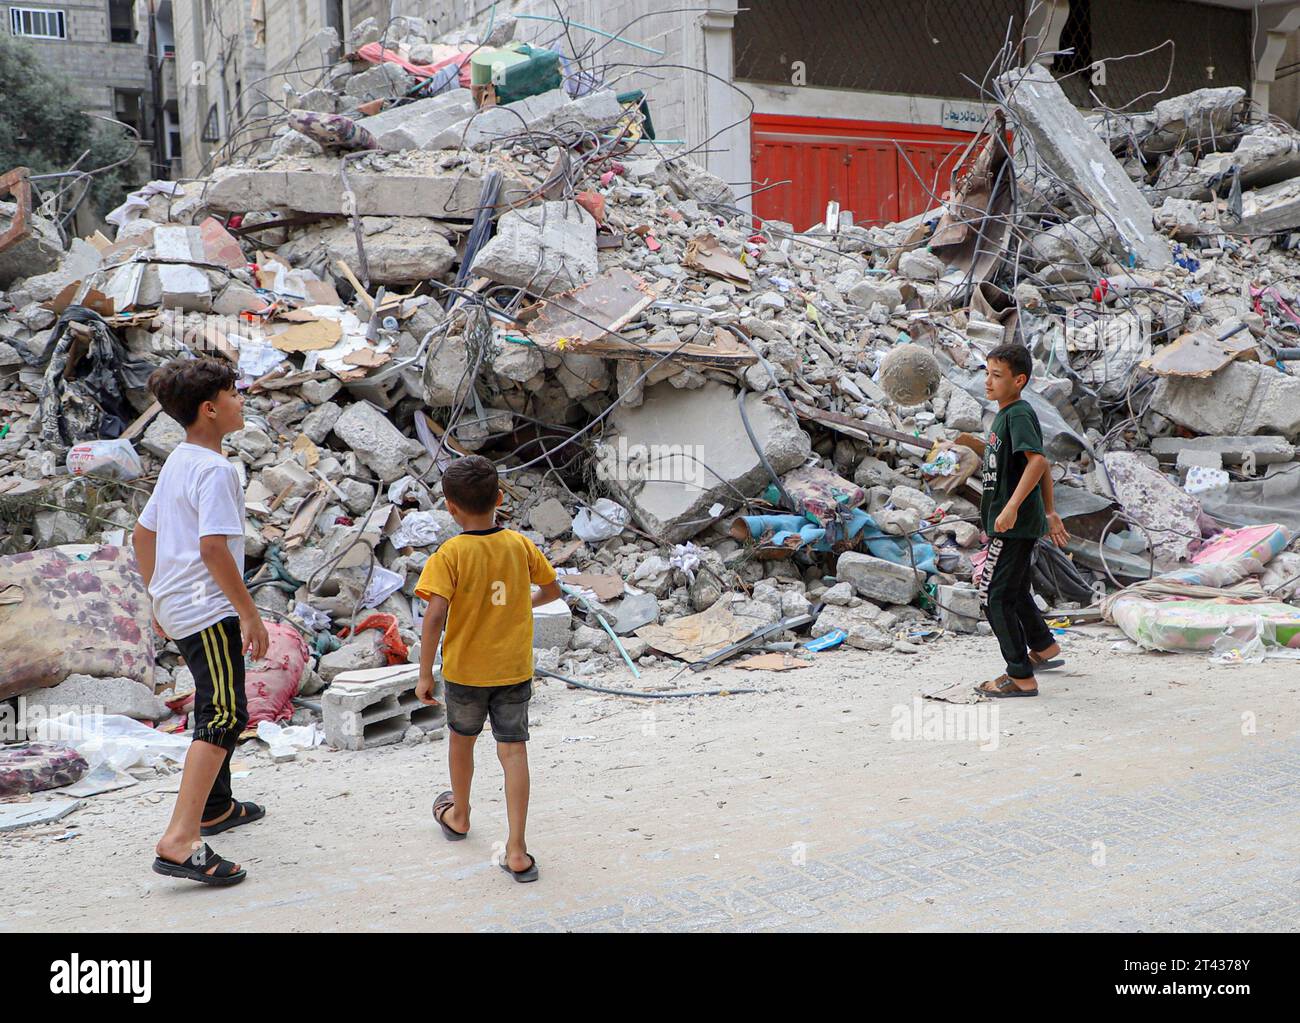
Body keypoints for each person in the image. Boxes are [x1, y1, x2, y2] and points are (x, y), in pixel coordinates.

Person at [134, 356, 269, 886]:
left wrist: (158, 597)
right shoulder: (215, 470)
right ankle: (180, 840)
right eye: (234, 393)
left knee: (220, 698)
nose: (242, 399)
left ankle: (215, 806)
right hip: (207, 608)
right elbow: (214, 549)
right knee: (224, 712)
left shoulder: (181, 459)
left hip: (180, 603)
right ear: (210, 409)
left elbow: (145, 535)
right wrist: (249, 613)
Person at [414, 455, 562, 883]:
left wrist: (426, 672)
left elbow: (434, 617)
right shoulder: (518, 545)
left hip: (465, 673)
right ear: (500, 498)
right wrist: (522, 603)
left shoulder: (450, 554)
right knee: (513, 751)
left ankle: (459, 814)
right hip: (513, 670)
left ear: (450, 507)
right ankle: (517, 850)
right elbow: (551, 589)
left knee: (462, 741)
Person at [974, 344, 1070, 698]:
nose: (988, 381)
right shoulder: (1006, 415)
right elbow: (1036, 462)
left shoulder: (1017, 413)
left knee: (994, 596)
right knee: (1013, 590)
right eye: (987, 373)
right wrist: (1048, 511)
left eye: (997, 376)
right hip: (1017, 521)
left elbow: (1037, 462)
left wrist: (1012, 507)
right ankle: (1044, 646)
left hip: (1012, 525)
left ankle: (1020, 675)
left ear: (1019, 380)